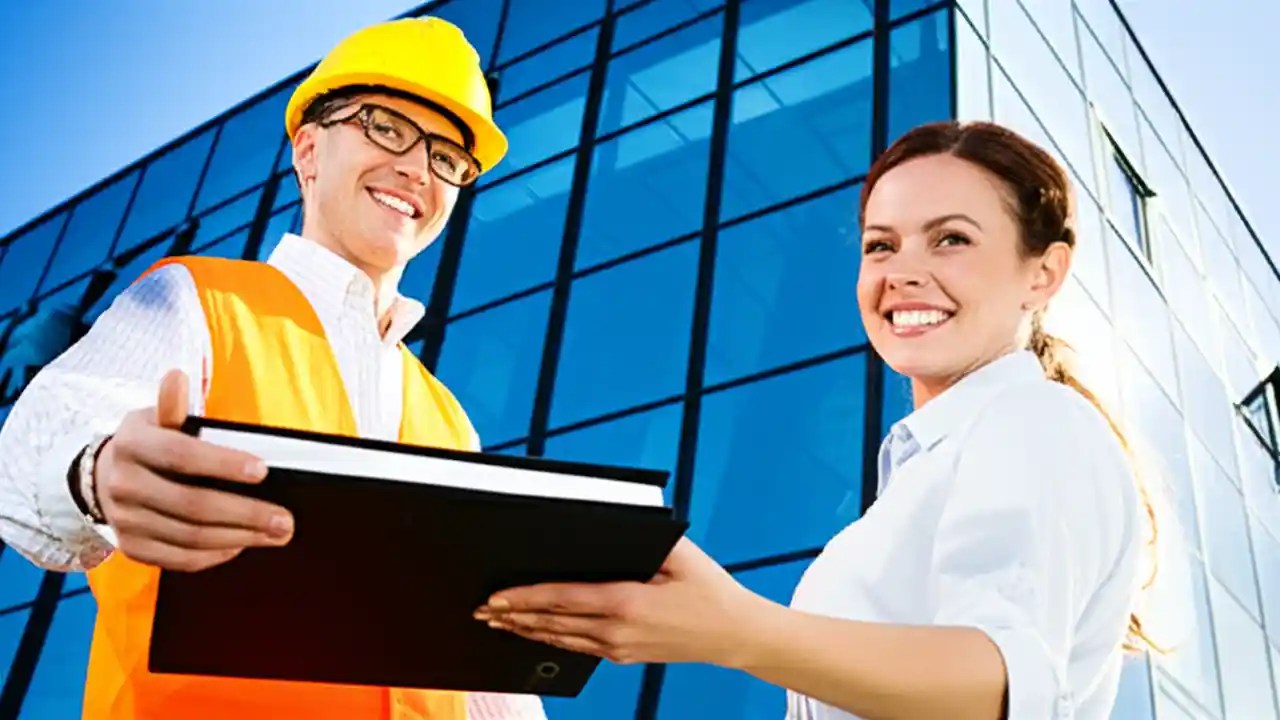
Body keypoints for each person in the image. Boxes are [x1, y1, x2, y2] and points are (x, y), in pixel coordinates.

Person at [476, 120, 1160, 719]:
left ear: (1042, 275)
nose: (903, 272)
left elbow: (998, 689)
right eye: (880, 245)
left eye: (951, 239)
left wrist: (735, 628)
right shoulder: (929, 466)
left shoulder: (1034, 420)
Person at [0, 17, 547, 720]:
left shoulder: (449, 421)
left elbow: (482, 675)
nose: (418, 167)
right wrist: (97, 471)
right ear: (308, 150)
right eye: (385, 126)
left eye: (448, 156)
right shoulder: (196, 301)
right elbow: (36, 441)